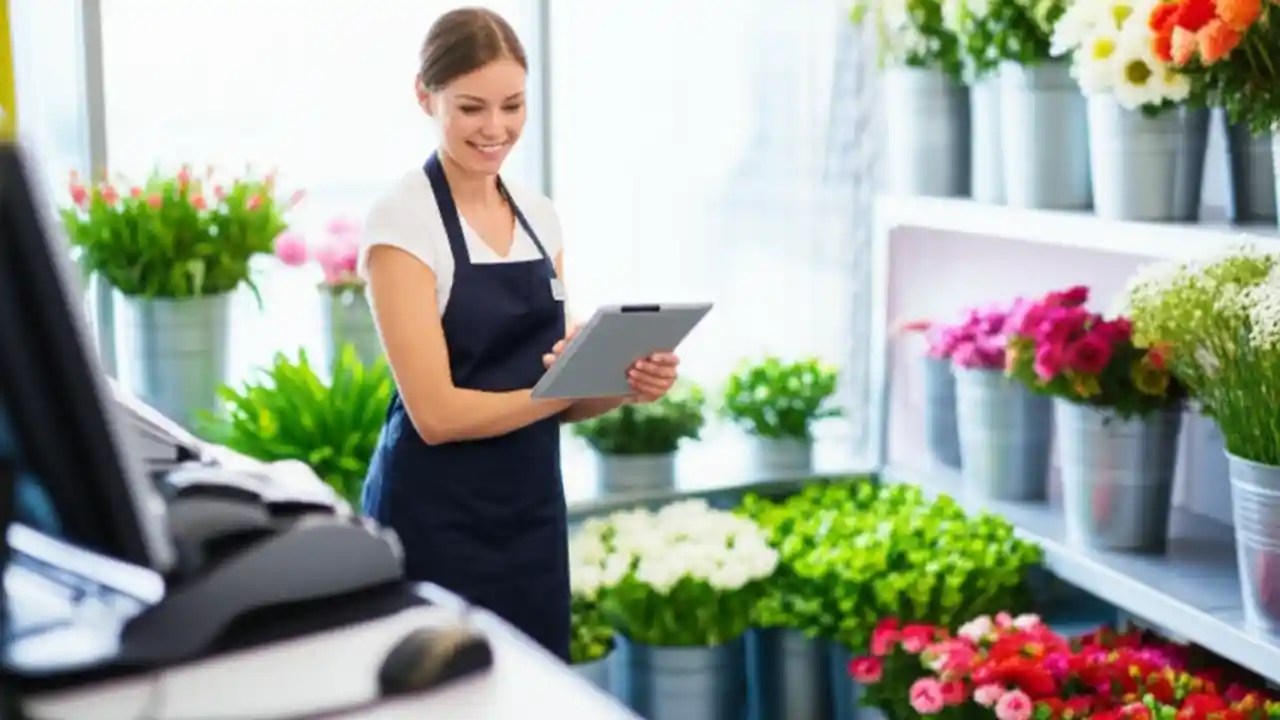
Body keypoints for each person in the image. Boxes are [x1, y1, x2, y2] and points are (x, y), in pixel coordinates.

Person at [356, 7, 680, 662]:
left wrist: (622, 383)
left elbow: (560, 389)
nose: (496, 129)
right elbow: (437, 414)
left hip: (530, 516)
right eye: (472, 108)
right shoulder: (403, 222)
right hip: (433, 520)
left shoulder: (539, 216)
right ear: (426, 96)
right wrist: (560, 392)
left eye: (512, 105)